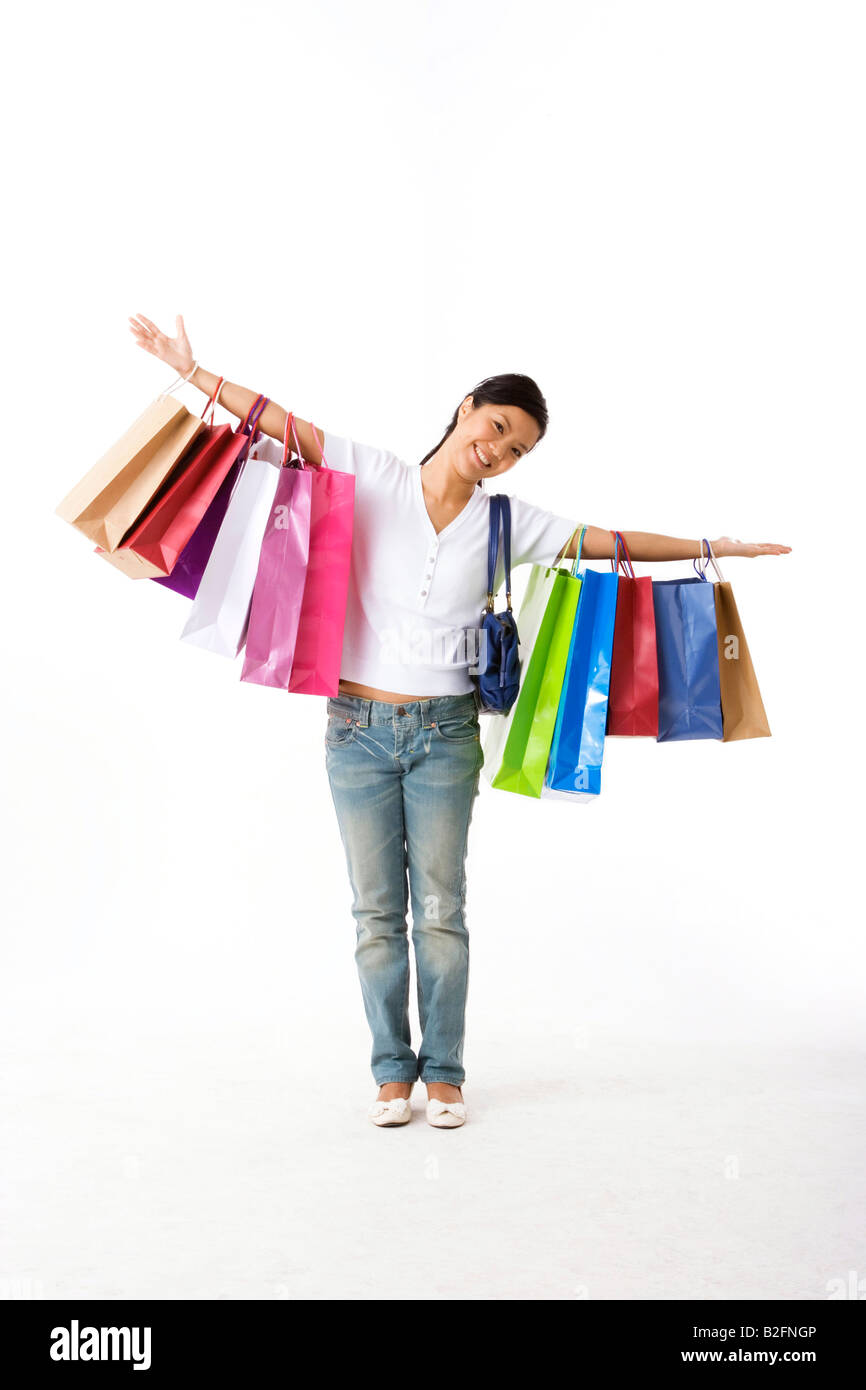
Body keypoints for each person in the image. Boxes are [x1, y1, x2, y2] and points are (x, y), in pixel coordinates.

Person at [129, 312, 792, 1130]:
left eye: (517, 449)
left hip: (446, 736)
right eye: (499, 427)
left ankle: (443, 1072)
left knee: (440, 908)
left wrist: (713, 545)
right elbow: (278, 421)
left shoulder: (510, 523)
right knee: (375, 912)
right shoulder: (371, 472)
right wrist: (193, 372)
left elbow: (612, 539)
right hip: (356, 729)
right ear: (469, 406)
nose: (500, 450)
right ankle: (388, 1073)